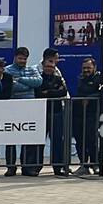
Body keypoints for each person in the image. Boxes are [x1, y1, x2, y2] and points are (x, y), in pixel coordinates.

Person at [5, 47, 43, 176]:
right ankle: (11, 167)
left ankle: (27, 167)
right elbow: (11, 86)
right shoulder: (7, 70)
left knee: (28, 138)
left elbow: (38, 82)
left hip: (30, 108)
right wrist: (28, 85)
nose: (22, 61)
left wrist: (20, 79)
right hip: (13, 108)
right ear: (15, 57)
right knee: (11, 139)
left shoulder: (32, 69)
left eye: (24, 59)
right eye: (20, 58)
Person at [34, 48, 70, 177]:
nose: (49, 68)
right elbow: (39, 93)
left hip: (57, 112)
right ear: (43, 66)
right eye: (47, 66)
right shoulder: (38, 77)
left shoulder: (58, 77)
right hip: (41, 113)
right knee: (39, 141)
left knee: (57, 141)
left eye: (52, 66)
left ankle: (58, 167)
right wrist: (54, 91)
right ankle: (36, 167)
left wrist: (48, 92)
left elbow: (63, 91)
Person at [72, 58, 103, 177]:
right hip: (78, 114)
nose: (86, 70)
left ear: (94, 68)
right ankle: (84, 165)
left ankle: (95, 164)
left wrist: (90, 98)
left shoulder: (100, 79)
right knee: (79, 140)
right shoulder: (80, 78)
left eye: (88, 68)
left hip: (93, 114)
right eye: (84, 68)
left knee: (92, 140)